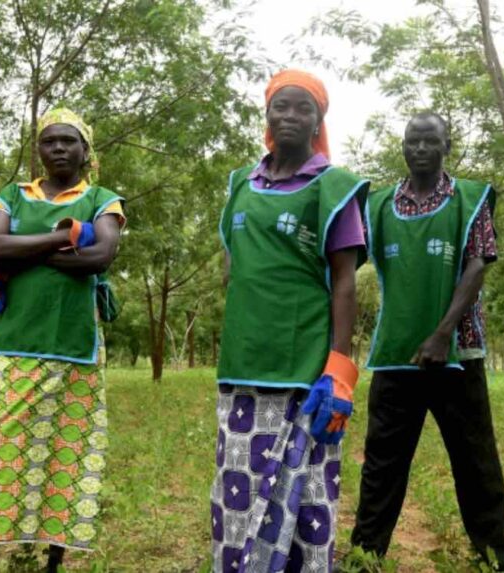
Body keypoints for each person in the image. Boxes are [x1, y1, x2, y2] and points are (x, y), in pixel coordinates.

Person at [212, 69, 369, 572]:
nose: (291, 116)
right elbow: (235, 264)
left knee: (303, 499)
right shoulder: (241, 183)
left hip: (304, 368)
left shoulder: (333, 188)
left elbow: (344, 281)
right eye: (282, 106)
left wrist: (340, 371)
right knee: (235, 493)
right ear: (267, 114)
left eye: (304, 108)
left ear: (319, 120)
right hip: (241, 363)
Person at [0, 108, 126, 573]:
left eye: (68, 140)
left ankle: (53, 563)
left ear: (85, 149)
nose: (58, 148)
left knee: (67, 458)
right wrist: (63, 239)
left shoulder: (102, 198)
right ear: (38, 149)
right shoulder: (13, 195)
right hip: (14, 346)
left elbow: (101, 255)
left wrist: (26, 250)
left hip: (75, 350)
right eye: (49, 141)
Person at [350, 112, 504, 571]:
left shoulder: (470, 200)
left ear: (446, 146)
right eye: (411, 142)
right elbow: (346, 259)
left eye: (429, 142)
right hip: (396, 356)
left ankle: (493, 559)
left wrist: (442, 334)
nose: (419, 149)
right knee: (382, 465)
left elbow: (476, 266)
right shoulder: (378, 206)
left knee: (476, 463)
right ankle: (366, 556)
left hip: (458, 355)